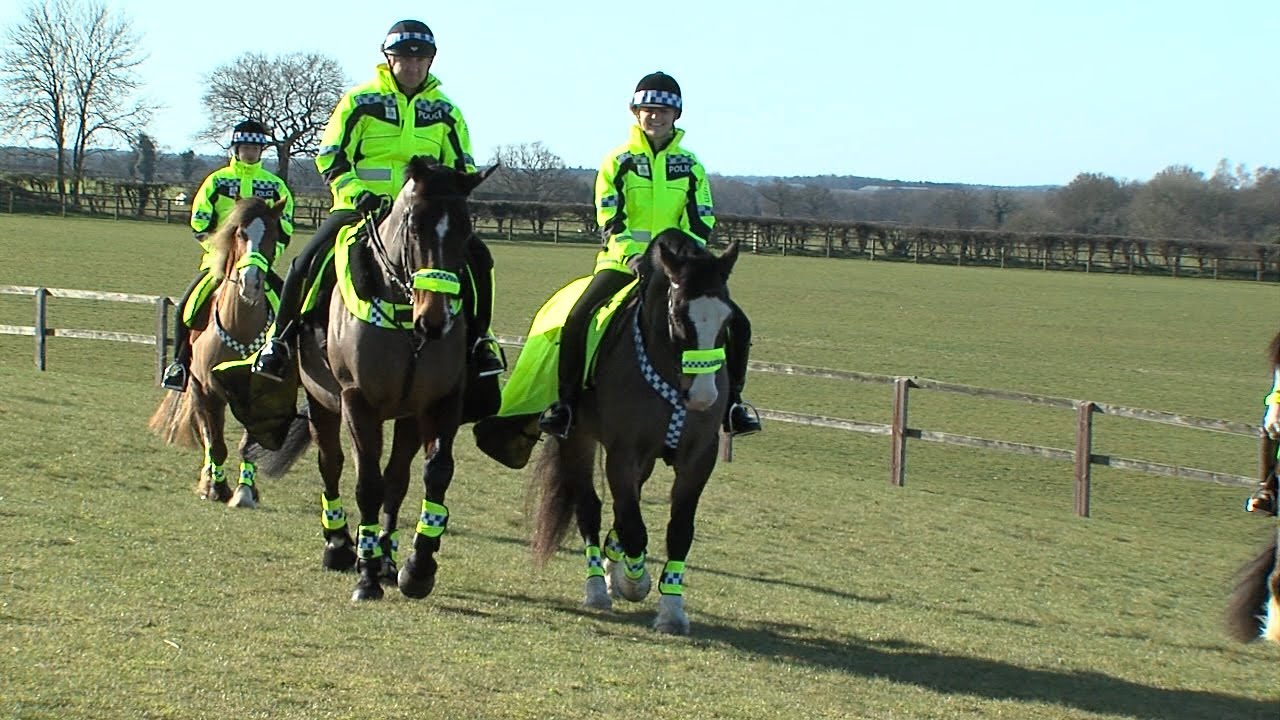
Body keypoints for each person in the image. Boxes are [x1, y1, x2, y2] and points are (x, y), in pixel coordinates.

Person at [253, 19, 503, 382]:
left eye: (420, 60)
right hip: (361, 209)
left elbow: (462, 165)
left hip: (423, 216)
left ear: (430, 62)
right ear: (388, 58)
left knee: (480, 259)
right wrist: (357, 193)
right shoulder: (359, 101)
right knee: (306, 264)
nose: (412, 66)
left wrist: (452, 195)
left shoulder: (447, 111)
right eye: (404, 58)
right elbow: (331, 155)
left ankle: (481, 341)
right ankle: (278, 342)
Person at [536, 71, 761, 439]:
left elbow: (701, 218)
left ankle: (734, 405)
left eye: (662, 111)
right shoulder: (617, 161)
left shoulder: (690, 165)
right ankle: (566, 405)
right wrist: (633, 257)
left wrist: (683, 264)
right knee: (577, 319)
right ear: (634, 112)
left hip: (679, 270)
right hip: (625, 264)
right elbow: (609, 216)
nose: (654, 117)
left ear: (676, 116)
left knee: (740, 323)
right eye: (647, 110)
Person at [160, 120, 294, 392]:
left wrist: (263, 258)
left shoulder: (276, 186)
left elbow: (285, 228)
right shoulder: (217, 182)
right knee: (187, 308)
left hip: (259, 263)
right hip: (219, 265)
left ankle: (287, 365)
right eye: (246, 147)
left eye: (256, 148)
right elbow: (200, 223)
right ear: (236, 149)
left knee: (289, 310)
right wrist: (221, 254)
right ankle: (179, 366)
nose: (250, 153)